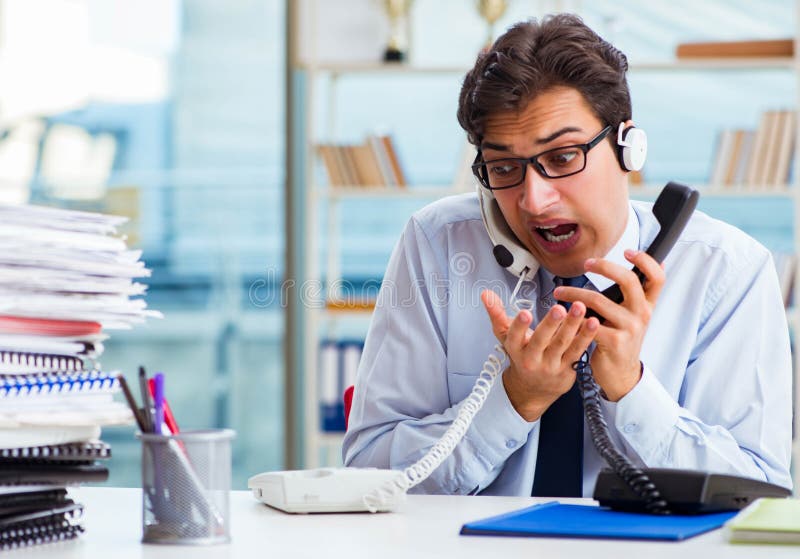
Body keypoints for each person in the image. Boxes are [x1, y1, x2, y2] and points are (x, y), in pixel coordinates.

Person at [341, 13, 793, 496]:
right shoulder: (438, 246)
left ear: (629, 148)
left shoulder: (726, 269)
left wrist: (629, 388)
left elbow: (757, 492)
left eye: (562, 158)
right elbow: (368, 474)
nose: (534, 200)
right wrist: (513, 400)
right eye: (504, 167)